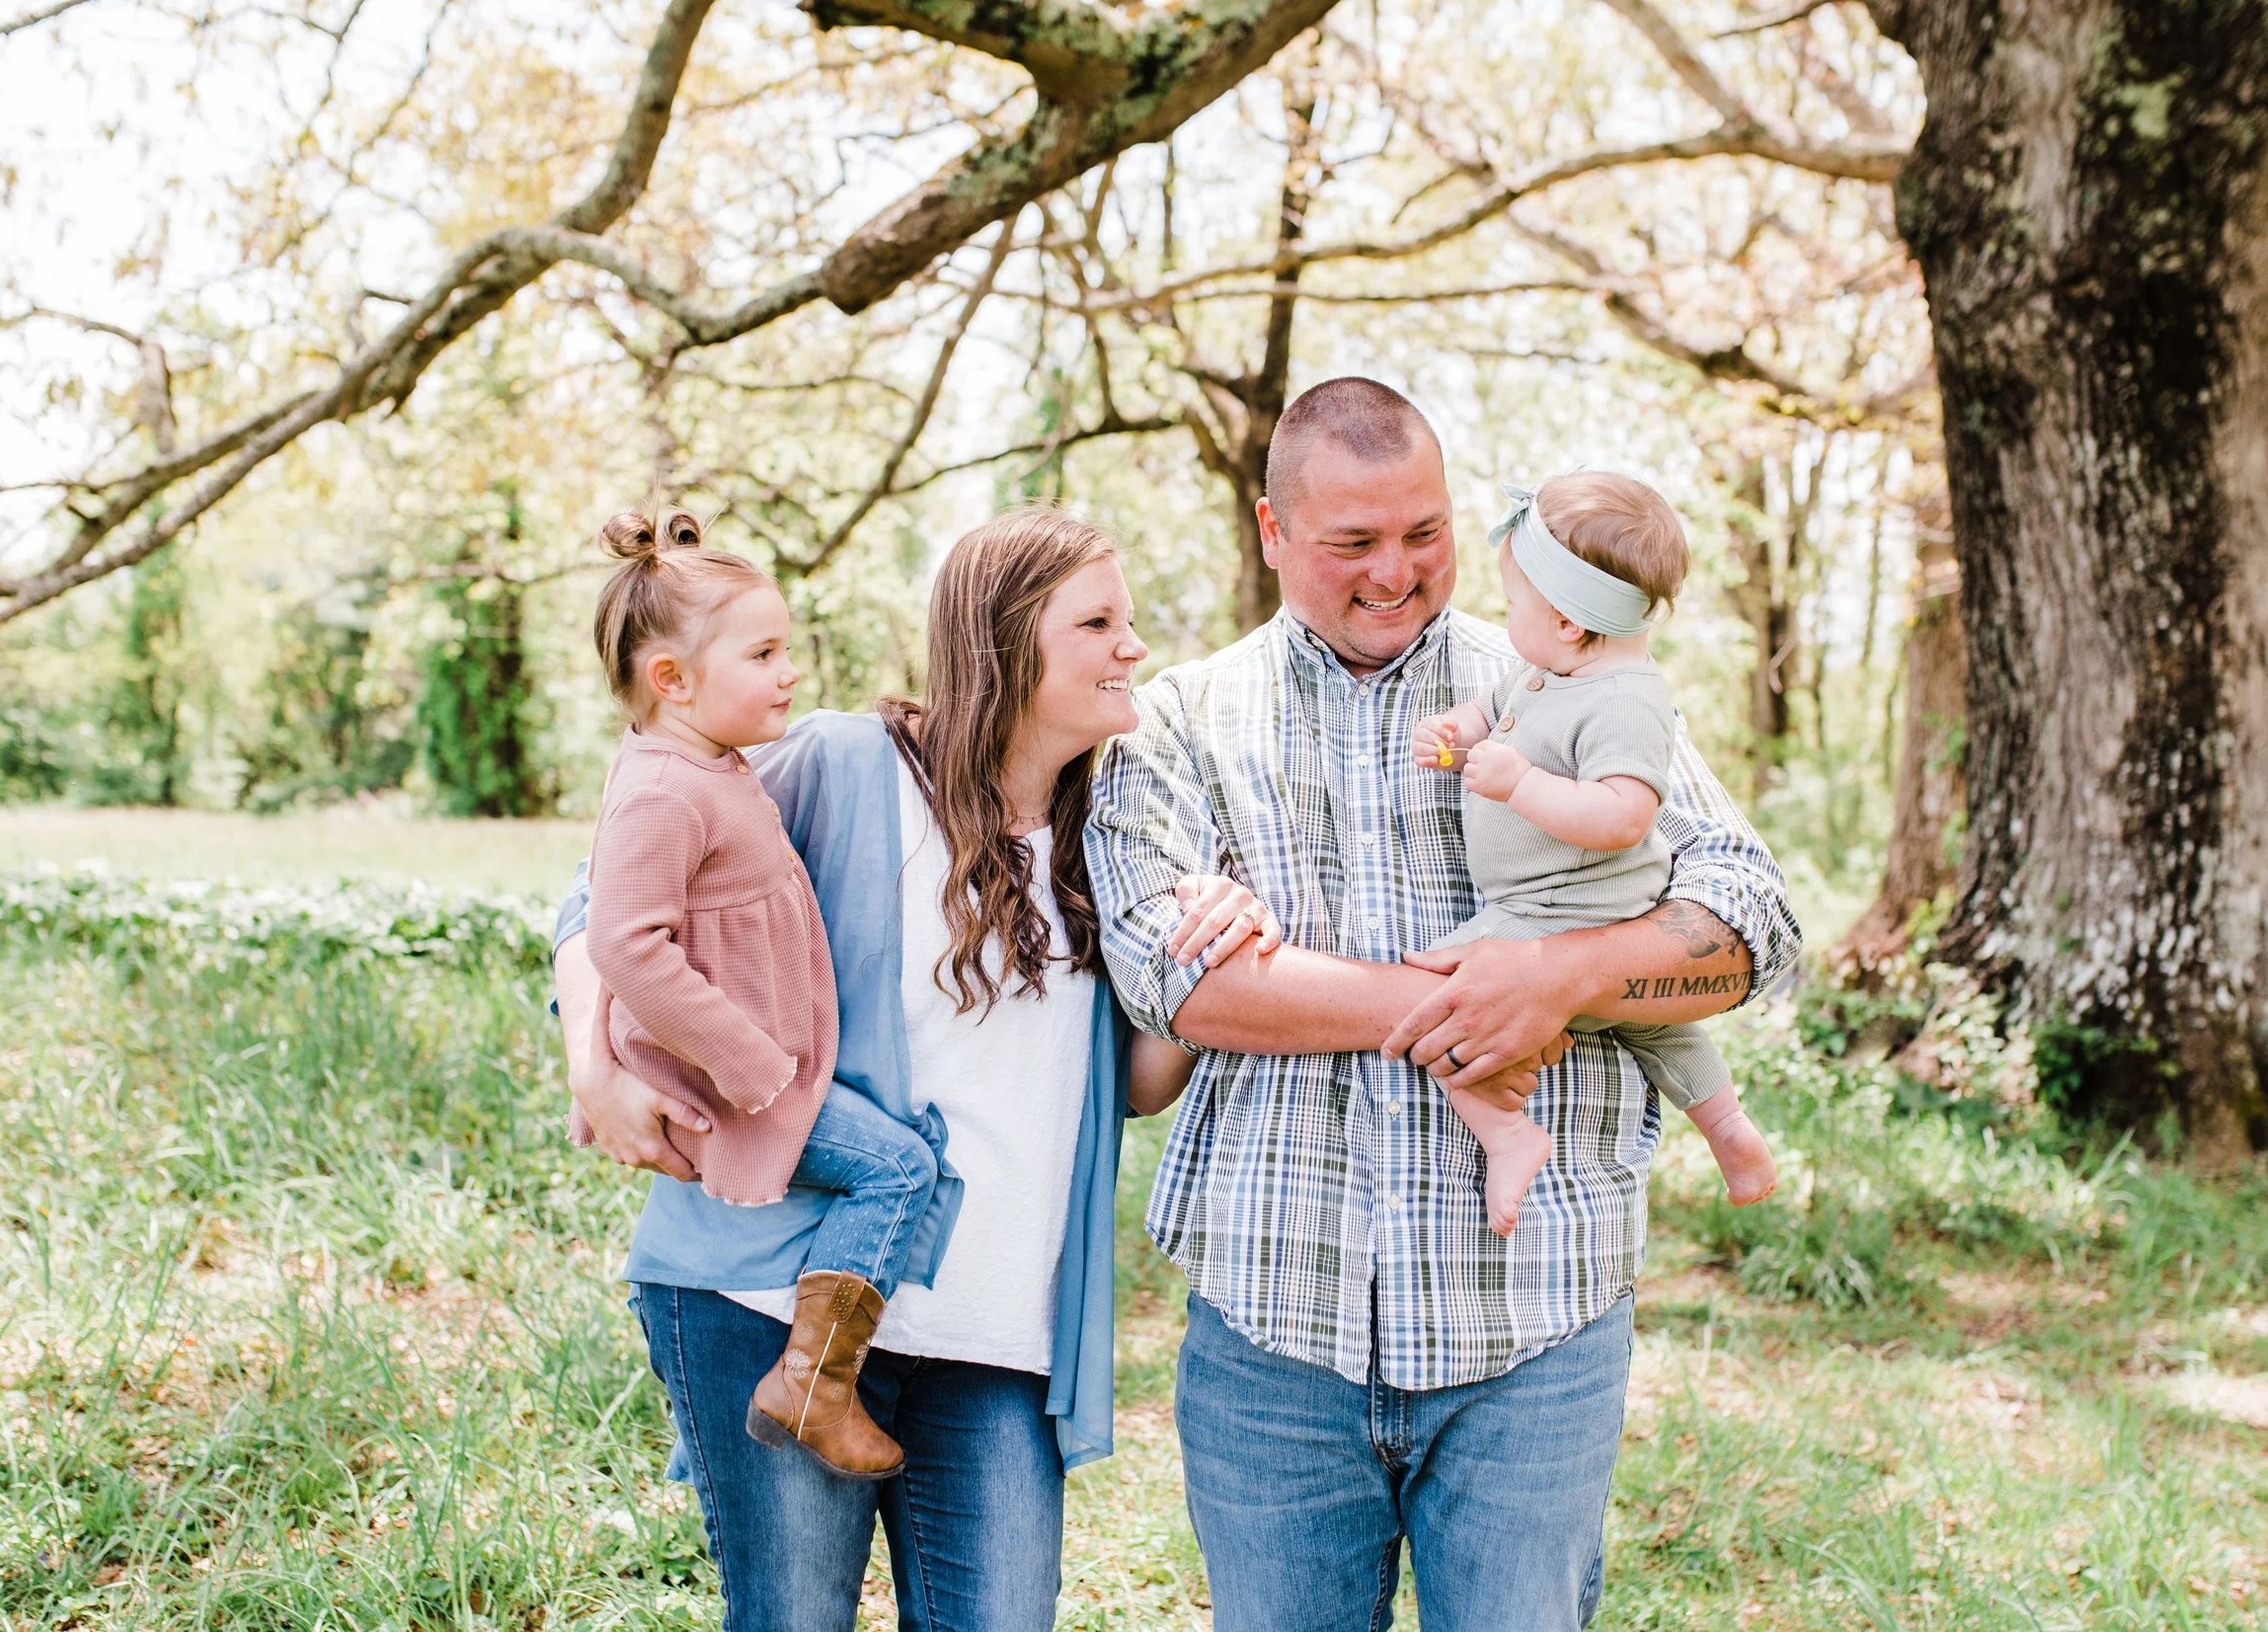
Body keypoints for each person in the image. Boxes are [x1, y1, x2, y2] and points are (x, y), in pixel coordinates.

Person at [1085, 378, 1801, 1632]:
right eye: (1351, 544)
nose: (1394, 573)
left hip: (1536, 1325)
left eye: (1423, 534)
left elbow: (1755, 923)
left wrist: (1566, 975)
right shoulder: (1177, 722)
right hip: (1273, 1330)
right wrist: (1474, 994)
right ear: (1269, 530)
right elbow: (1172, 977)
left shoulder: (1565, 682)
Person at [553, 505, 1238, 1631]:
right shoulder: (846, 764)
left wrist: (1201, 957)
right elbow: (606, 897)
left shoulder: (1107, 830)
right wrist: (593, 1062)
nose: (1134, 649)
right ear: (1006, 642)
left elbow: (1133, 1085)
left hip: (995, 1338)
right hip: (773, 1298)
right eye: (1099, 623)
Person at [580, 506, 935, 1480]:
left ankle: (794, 1386)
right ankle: (813, 1383)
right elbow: (621, 940)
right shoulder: (663, 788)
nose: (789, 673)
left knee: (894, 1160)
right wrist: (749, 1065)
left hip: (763, 1067)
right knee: (897, 1168)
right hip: (734, 1081)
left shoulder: (711, 764)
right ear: (673, 680)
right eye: (764, 653)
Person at [1408, 473, 1778, 1235]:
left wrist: (1518, 784)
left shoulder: (1626, 700)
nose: (1505, 619)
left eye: (1514, 605)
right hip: (1561, 909)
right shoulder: (1550, 669)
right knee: (1664, 1031)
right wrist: (1455, 734)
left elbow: (1620, 814)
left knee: (1439, 1009)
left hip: (1557, 913)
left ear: (1570, 623)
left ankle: (1510, 1134)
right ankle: (1729, 1127)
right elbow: (1490, 709)